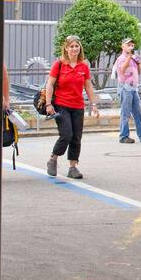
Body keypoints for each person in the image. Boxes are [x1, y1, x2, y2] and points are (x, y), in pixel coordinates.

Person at [44, 34, 100, 179]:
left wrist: (93, 104)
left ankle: (73, 167)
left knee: (76, 137)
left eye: (77, 46)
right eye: (71, 46)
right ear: (66, 48)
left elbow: (88, 86)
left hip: (78, 106)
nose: (74, 49)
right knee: (66, 134)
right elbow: (50, 84)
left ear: (79, 48)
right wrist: (49, 104)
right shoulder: (60, 64)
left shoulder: (83, 66)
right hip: (61, 105)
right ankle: (53, 158)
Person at [112, 37, 141, 144]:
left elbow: (138, 72)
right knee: (125, 113)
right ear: (123, 46)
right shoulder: (121, 58)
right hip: (125, 88)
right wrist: (129, 57)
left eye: (132, 45)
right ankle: (123, 136)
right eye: (128, 44)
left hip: (134, 88)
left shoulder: (134, 58)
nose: (131, 46)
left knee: (137, 112)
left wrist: (139, 63)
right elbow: (122, 69)